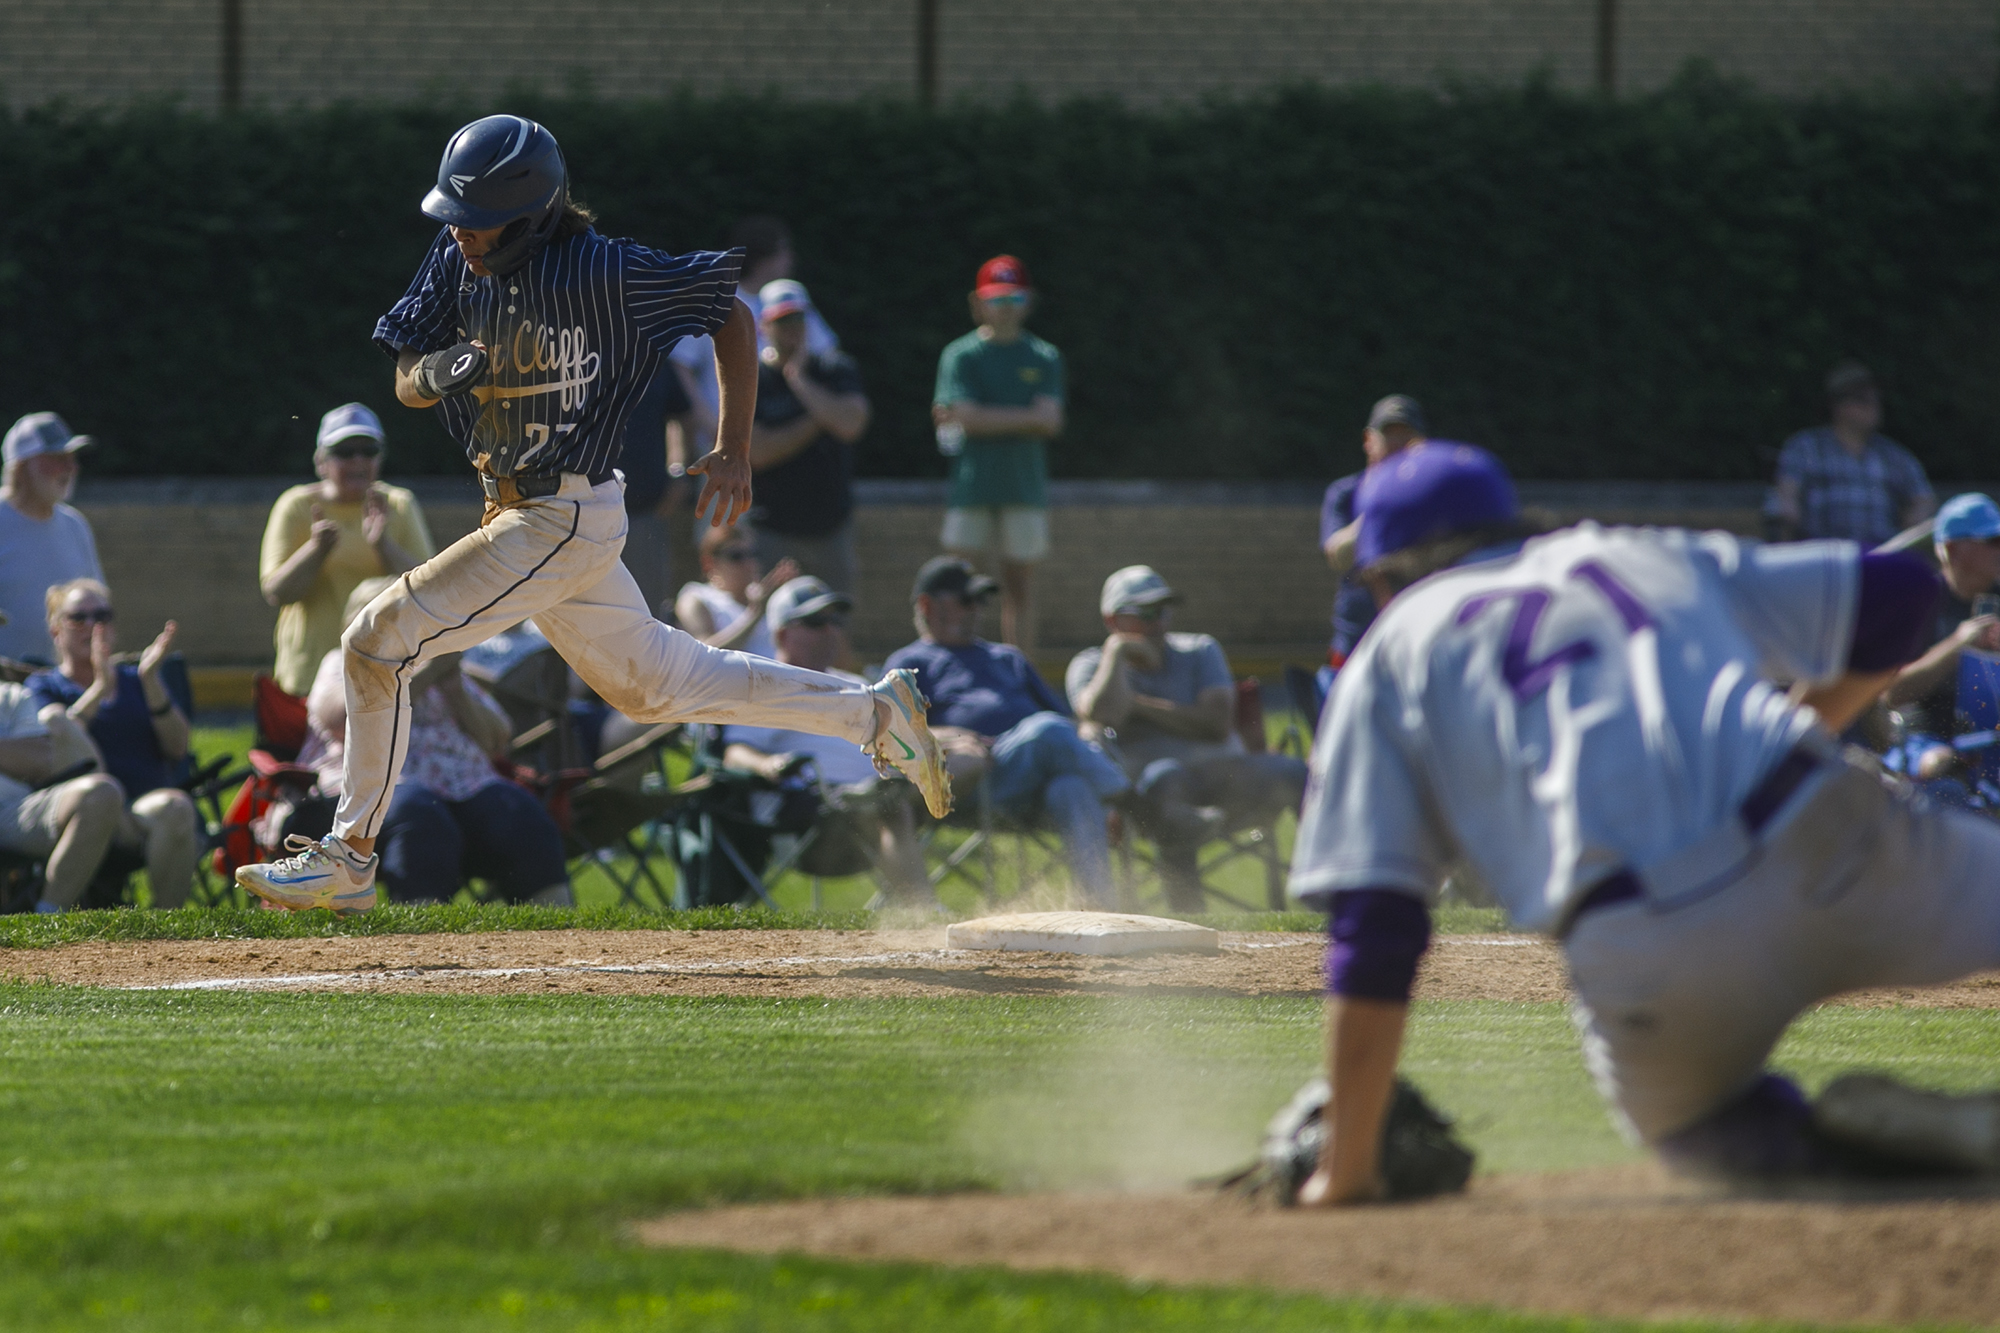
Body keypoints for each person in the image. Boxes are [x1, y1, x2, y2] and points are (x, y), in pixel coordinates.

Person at [232, 114, 948, 915]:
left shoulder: (604, 268)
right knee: (657, 688)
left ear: (535, 210)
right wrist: (436, 369)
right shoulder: (456, 255)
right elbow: (406, 373)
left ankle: (351, 855)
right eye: (456, 217)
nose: (462, 234)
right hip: (530, 514)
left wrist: (734, 445)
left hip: (559, 513)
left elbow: (730, 312)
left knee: (375, 641)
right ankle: (877, 713)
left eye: (479, 219)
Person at [1287, 440, 2000, 1205]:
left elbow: (1377, 926)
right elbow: (1898, 592)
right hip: (1822, 826)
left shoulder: (1389, 652)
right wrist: (1806, 724)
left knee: (1701, 1132)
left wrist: (1347, 1169)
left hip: (1646, 930)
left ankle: (1845, 1145)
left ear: (1382, 575)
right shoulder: (1630, 552)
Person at [298, 580, 571, 905]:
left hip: (463, 784)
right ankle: (424, 930)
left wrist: (453, 686)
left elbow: (497, 738)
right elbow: (340, 720)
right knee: (420, 816)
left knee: (520, 813)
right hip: (381, 785)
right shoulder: (345, 664)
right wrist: (418, 676)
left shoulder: (433, 661)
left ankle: (556, 924)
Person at [886, 557, 1127, 905]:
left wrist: (1087, 734)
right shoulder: (909, 663)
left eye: (981, 601)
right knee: (1045, 731)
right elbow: (891, 732)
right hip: (973, 779)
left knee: (1071, 788)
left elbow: (1066, 722)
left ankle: (1101, 907)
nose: (977, 609)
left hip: (1034, 776)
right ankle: (1129, 797)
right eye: (966, 600)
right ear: (927, 604)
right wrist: (949, 734)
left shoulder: (1008, 657)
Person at [1067, 565, 1307, 911]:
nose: (1158, 623)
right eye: (1145, 613)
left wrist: (1135, 705)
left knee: (1296, 771)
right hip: (1154, 794)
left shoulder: (1199, 650)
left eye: (1164, 611)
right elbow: (1100, 713)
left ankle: (1340, 890)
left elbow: (1216, 723)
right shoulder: (1091, 665)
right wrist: (1117, 653)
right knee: (1166, 781)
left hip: (1227, 776)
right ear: (1112, 619)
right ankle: (1189, 915)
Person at [721, 578, 929, 902]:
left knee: (902, 796)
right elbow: (734, 753)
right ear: (781, 634)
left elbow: (895, 739)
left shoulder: (858, 685)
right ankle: (922, 909)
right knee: (890, 807)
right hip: (806, 816)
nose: (830, 630)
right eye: (816, 622)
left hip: (872, 804)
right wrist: (768, 764)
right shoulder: (765, 687)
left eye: (835, 621)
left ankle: (919, 912)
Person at [25, 579, 200, 908]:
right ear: (55, 630)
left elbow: (178, 748)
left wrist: (151, 682)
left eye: (101, 616)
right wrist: (99, 689)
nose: (92, 626)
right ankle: (48, 914)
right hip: (82, 812)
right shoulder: (45, 685)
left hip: (137, 813)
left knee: (176, 807)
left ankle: (167, 930)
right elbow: (55, 741)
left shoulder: (138, 681)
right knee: (98, 793)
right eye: (78, 617)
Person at [933, 255, 1065, 654]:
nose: (1005, 308)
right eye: (997, 299)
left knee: (1020, 586)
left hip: (1023, 487)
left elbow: (1051, 422)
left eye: (1014, 298)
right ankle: (953, 663)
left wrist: (980, 417)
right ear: (978, 302)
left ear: (1028, 301)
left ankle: (1021, 671)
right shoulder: (961, 355)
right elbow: (962, 417)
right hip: (972, 487)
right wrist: (1026, 417)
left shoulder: (1044, 356)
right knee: (958, 583)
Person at [259, 403, 435, 696]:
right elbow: (277, 592)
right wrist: (317, 550)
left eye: (368, 451)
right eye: (344, 452)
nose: (357, 460)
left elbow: (429, 590)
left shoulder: (399, 505)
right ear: (321, 461)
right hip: (310, 677)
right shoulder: (296, 506)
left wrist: (383, 545)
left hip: (385, 670)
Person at [668, 215, 839, 457]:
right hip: (721, 449)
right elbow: (680, 366)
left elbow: (827, 354)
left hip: (783, 443)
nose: (791, 258)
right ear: (763, 258)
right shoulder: (717, 301)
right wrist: (712, 428)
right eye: (784, 250)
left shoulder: (792, 299)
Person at [746, 280, 869, 596]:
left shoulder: (836, 369)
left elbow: (852, 424)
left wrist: (799, 380)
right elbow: (757, 451)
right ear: (764, 325)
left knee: (835, 625)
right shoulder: (751, 378)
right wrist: (822, 417)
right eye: (782, 319)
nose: (792, 327)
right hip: (772, 530)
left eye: (798, 318)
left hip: (832, 527)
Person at [1880, 492, 2000, 790]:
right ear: (1952, 550)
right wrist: (1959, 645)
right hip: (1925, 740)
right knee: (1944, 770)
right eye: (1992, 542)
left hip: (1991, 736)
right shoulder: (1916, 603)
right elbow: (1891, 693)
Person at [1770, 361, 1934, 547]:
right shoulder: (1805, 447)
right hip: (1822, 555)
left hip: (1881, 555)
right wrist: (1787, 514)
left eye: (1876, 398)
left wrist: (1916, 519)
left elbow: (1924, 500)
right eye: (1863, 399)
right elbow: (1786, 495)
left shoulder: (1895, 455)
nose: (1874, 406)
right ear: (1837, 405)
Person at [0, 677, 126, 913]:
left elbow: (39, 761)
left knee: (101, 793)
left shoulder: (12, 697)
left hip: (14, 813)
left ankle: (47, 917)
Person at [1320, 395, 1427, 663]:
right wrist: (1384, 500)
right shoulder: (1346, 493)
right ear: (1369, 440)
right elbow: (1338, 556)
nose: (1397, 445)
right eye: (1389, 435)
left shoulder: (1430, 494)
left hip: (1416, 637)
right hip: (1355, 643)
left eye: (1406, 436)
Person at [0, 412, 103, 666]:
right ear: (21, 467)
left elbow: (99, 606)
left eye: (72, 458)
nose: (70, 467)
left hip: (64, 685)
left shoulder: (75, 525)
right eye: (57, 458)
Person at [617, 359, 699, 620]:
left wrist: (679, 471)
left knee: (645, 615)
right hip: (581, 510)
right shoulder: (574, 348)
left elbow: (681, 415)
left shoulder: (655, 358)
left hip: (646, 511)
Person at [673, 522, 796, 659]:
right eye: (736, 556)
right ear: (709, 563)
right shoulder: (695, 596)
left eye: (752, 554)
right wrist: (756, 614)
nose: (748, 563)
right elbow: (706, 655)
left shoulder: (765, 596)